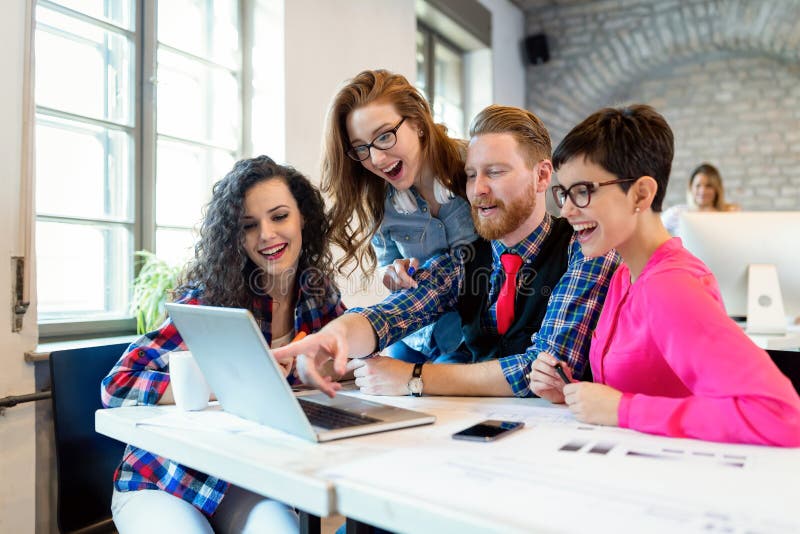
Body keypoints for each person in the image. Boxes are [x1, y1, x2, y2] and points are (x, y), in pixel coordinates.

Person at [275, 105, 618, 399]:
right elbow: (396, 312)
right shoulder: (465, 258)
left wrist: (414, 378)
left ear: (542, 175)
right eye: (471, 175)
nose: (478, 190)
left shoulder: (585, 248)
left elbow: (549, 367)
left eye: (495, 172)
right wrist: (336, 336)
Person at [101, 156, 346, 532]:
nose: (266, 234)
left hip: (244, 478)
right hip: (164, 477)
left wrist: (317, 368)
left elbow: (350, 361)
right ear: (236, 237)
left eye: (279, 217)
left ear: (304, 219)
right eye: (249, 225)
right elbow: (117, 385)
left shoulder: (317, 294)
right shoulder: (210, 299)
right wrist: (228, 382)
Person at [530, 105, 800, 446]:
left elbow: (781, 416)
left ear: (641, 193)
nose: (567, 210)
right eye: (564, 193)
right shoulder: (624, 276)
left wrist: (621, 410)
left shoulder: (670, 286)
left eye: (582, 191)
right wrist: (572, 391)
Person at [321, 69, 479, 364]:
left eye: (384, 136)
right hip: (415, 334)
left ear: (418, 122)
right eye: (361, 149)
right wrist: (393, 273)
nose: (377, 159)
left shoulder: (474, 166)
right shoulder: (378, 199)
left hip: (472, 335)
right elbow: (386, 264)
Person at [661, 162, 739, 234]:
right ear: (691, 187)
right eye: (698, 186)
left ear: (717, 189)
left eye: (708, 186)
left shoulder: (728, 214)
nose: (702, 191)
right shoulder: (676, 213)